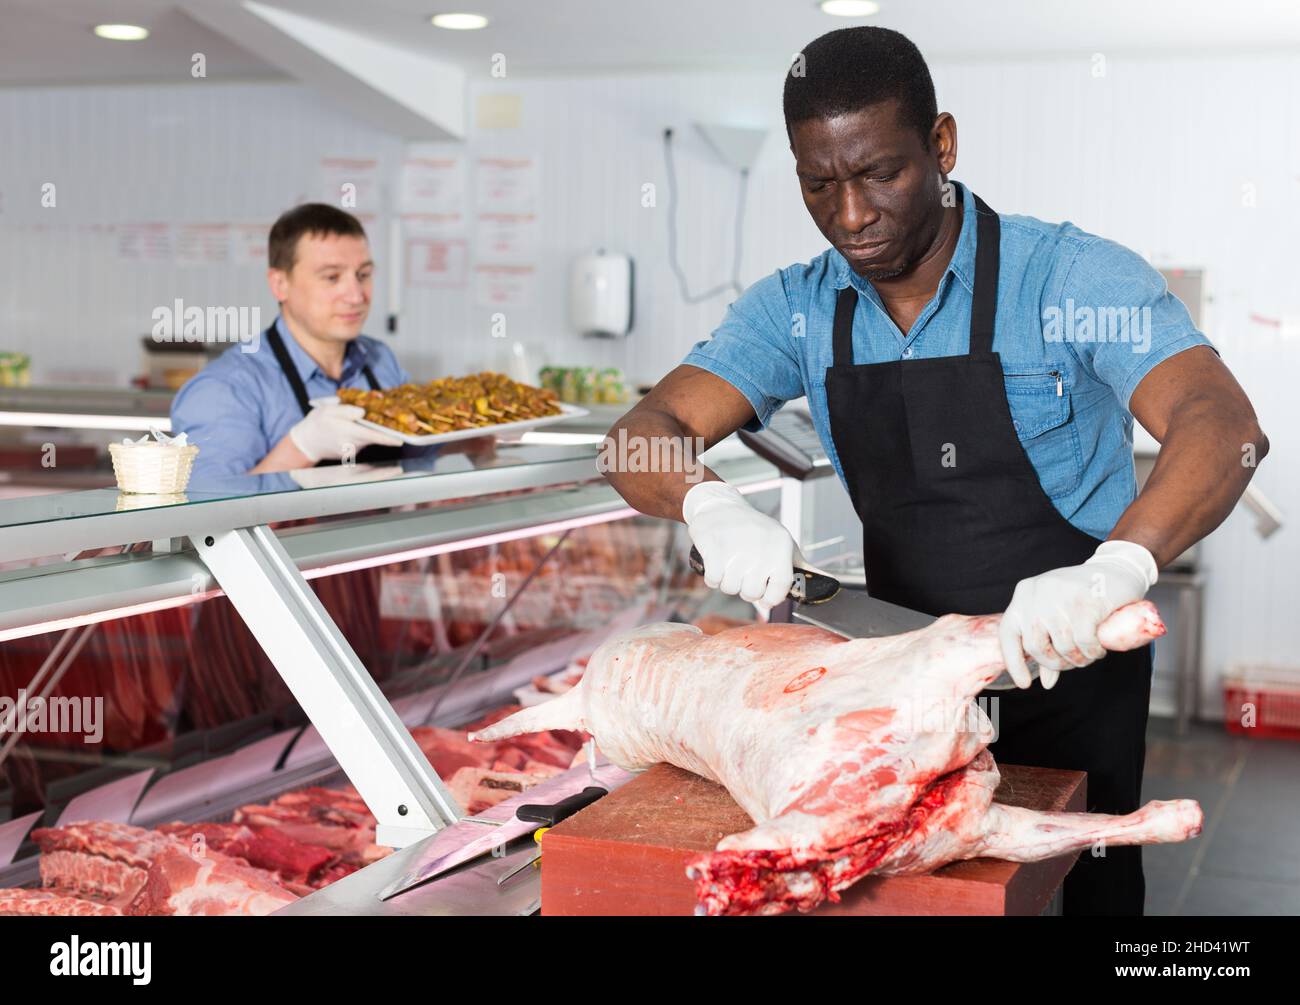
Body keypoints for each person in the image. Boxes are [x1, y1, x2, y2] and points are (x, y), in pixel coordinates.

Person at [604, 27, 1267, 915]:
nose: (851, 215)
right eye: (818, 184)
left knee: (1088, 884)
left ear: (942, 144)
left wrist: (1119, 566)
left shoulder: (1067, 276)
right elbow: (638, 436)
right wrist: (706, 503)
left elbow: (1223, 424)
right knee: (921, 897)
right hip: (899, 694)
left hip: (1071, 672)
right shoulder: (799, 307)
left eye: (881, 173)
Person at [171, 203, 407, 475]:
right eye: (332, 277)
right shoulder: (224, 389)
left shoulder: (380, 360)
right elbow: (210, 513)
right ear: (280, 284)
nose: (356, 296)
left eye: (363, 275)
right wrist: (301, 447)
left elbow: (421, 459)